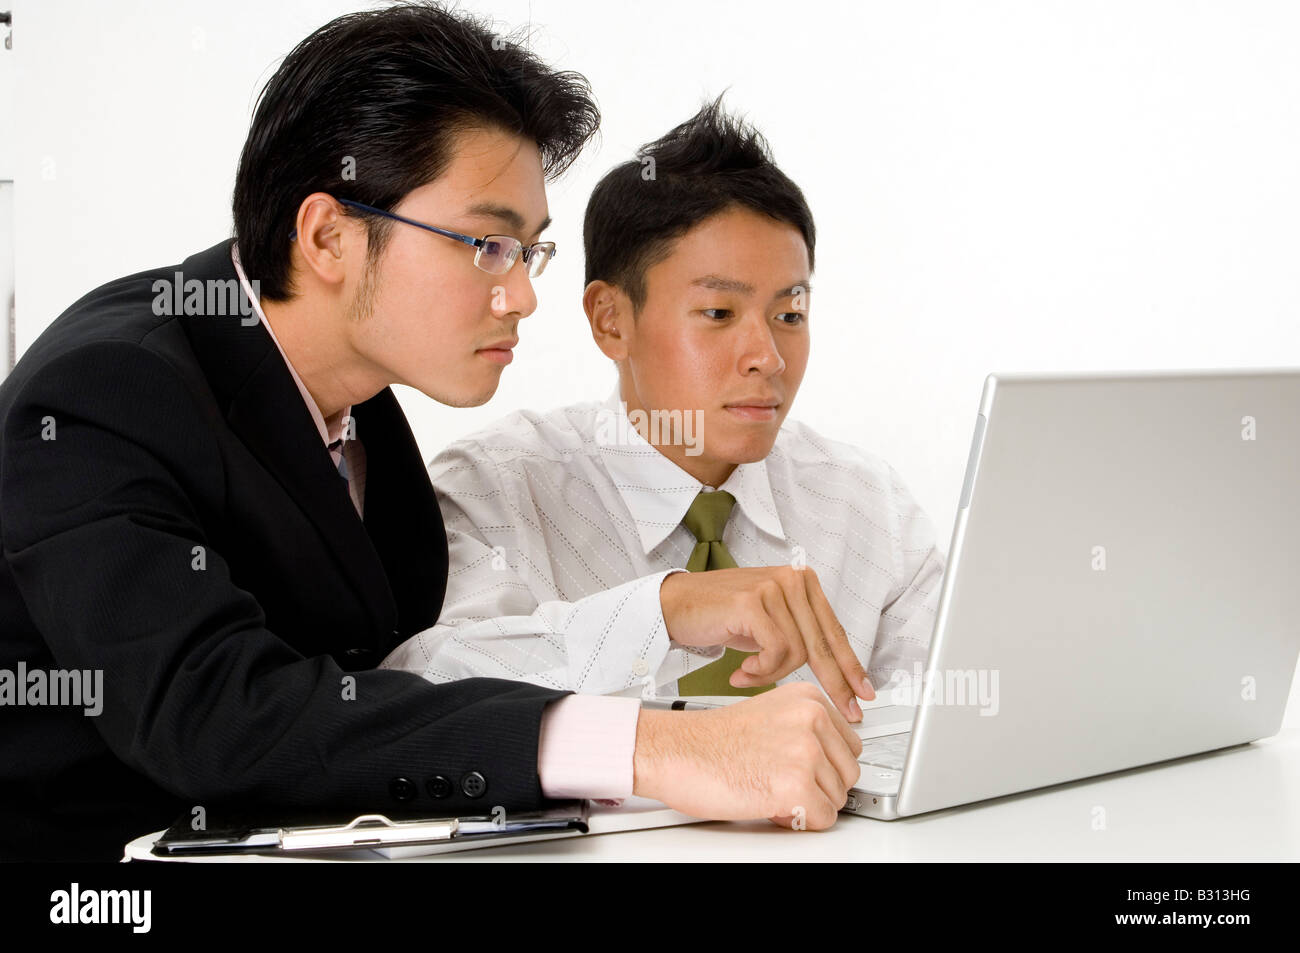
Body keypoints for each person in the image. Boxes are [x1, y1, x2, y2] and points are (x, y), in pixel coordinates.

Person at [0, 6, 860, 862]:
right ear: (329, 235)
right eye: (488, 244)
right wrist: (654, 747)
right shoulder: (106, 391)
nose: (522, 295)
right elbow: (216, 714)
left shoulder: (365, 412)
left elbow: (401, 682)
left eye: (531, 252)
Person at [384, 99, 946, 718]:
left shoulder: (870, 509)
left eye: (789, 315)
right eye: (718, 314)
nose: (767, 357)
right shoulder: (496, 490)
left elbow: (948, 722)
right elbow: (426, 681)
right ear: (610, 320)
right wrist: (662, 611)